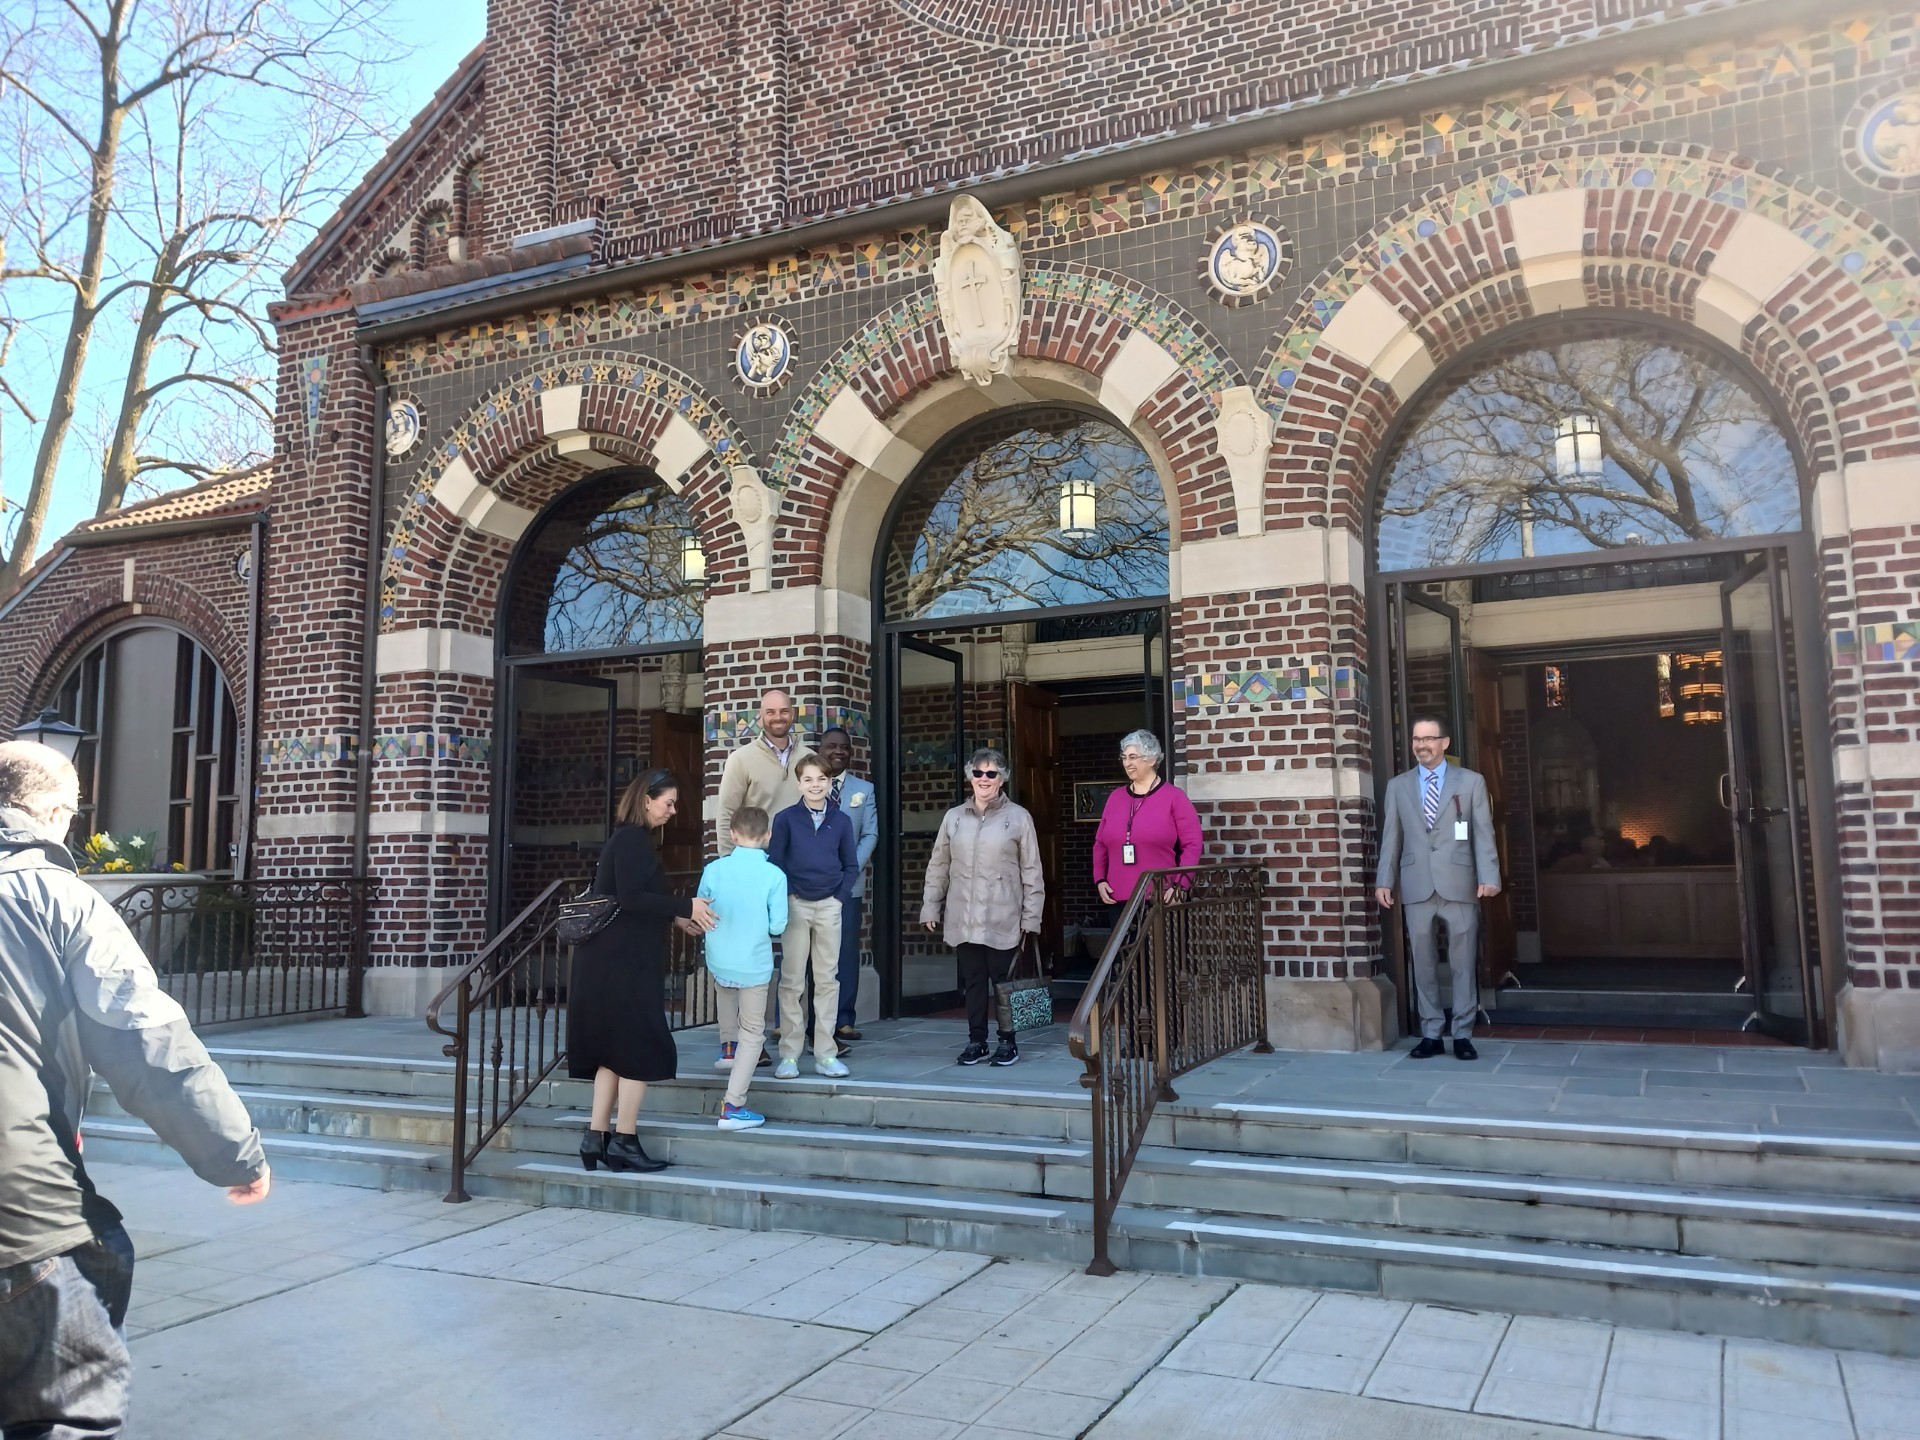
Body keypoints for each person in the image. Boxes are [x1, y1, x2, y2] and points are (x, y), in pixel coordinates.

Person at [0, 741, 271, 1437]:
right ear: (55, 812)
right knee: (68, 1391)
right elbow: (144, 1041)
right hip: (19, 1203)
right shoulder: (59, 898)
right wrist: (233, 1154)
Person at [572, 768, 716, 1173]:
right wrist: (685, 907)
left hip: (610, 961)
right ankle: (625, 1141)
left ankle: (595, 1136)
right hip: (624, 965)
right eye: (668, 802)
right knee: (640, 1049)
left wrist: (675, 919)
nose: (672, 811)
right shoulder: (634, 840)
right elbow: (633, 898)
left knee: (614, 1053)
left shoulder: (626, 839)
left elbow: (631, 898)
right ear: (646, 799)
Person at [1374, 715, 1501, 1061]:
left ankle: (1462, 1032)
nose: (1421, 745)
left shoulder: (1471, 782)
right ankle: (1431, 1032)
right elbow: (1391, 838)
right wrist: (1384, 880)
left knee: (1462, 962)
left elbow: (1483, 832)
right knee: (1423, 962)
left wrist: (1490, 876)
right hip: (1415, 884)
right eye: (1416, 739)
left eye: (1429, 738)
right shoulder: (1398, 786)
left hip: (1459, 883)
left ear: (1445, 742)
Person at [921, 748, 1045, 1068]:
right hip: (964, 915)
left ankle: (1008, 1042)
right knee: (973, 981)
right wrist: (930, 906)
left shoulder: (1019, 817)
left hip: (1003, 914)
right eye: (978, 773)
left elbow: (1032, 870)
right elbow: (939, 865)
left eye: (991, 773)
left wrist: (1032, 916)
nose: (984, 779)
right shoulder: (954, 817)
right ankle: (977, 1041)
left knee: (1003, 983)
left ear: (1002, 778)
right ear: (969, 777)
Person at [695, 807, 788, 1131]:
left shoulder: (714, 869)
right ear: (767, 837)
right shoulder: (775, 876)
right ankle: (733, 1106)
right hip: (753, 961)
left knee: (725, 992)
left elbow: (701, 906)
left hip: (720, 954)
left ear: (732, 834)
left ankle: (727, 1046)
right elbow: (778, 925)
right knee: (754, 1032)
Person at [768, 756, 857, 1078]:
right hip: (796, 906)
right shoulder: (786, 819)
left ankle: (826, 1054)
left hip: (829, 906)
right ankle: (789, 1055)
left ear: (830, 782)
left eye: (821, 779)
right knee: (792, 981)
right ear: (798, 783)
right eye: (808, 779)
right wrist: (790, 894)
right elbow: (775, 862)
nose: (815, 785)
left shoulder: (842, 821)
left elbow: (851, 865)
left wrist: (839, 897)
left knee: (827, 981)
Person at [1092, 729, 1202, 919]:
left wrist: (1180, 885)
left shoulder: (1174, 797)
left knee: (1163, 949)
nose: (1127, 763)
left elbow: (1193, 844)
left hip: (1161, 898)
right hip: (1118, 898)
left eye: (1133, 757)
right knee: (1124, 949)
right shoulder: (1115, 798)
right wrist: (1100, 879)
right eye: (1124, 757)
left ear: (1151, 760)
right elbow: (1100, 843)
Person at [815, 727, 876, 1050]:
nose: (838, 752)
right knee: (805, 954)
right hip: (811, 884)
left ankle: (844, 1019)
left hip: (848, 885)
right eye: (831, 746)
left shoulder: (863, 790)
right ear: (820, 749)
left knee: (846, 952)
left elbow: (870, 835)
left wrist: (850, 870)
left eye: (844, 748)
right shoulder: (809, 785)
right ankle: (796, 1022)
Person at [715, 689, 813, 856]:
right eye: (770, 712)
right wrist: (729, 860)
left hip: (802, 857)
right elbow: (727, 814)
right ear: (760, 716)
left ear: (793, 714)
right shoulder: (740, 759)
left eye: (784, 711)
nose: (778, 717)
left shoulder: (810, 758)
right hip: (757, 858)